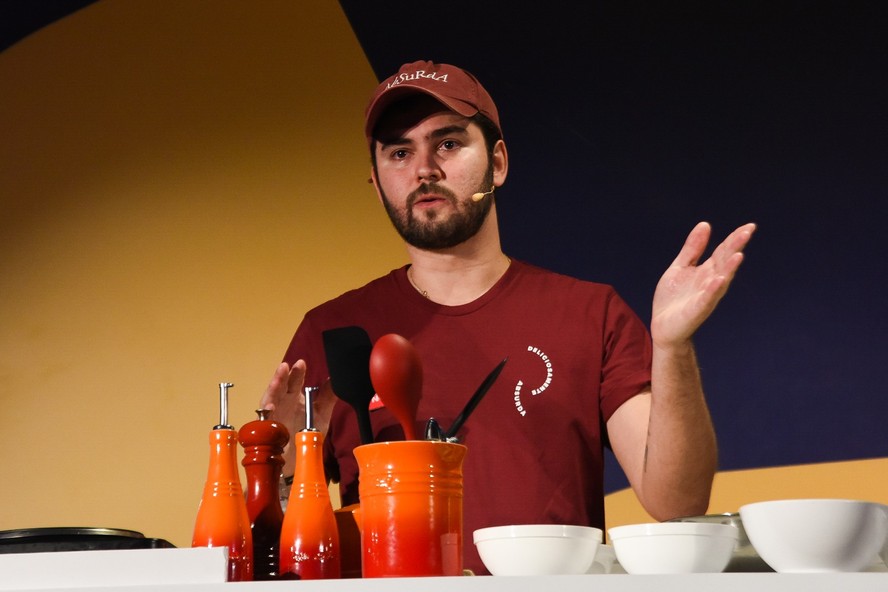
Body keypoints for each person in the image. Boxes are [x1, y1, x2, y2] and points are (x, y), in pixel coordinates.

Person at [260, 60, 756, 575]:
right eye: (400, 152)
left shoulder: (591, 313)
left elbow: (677, 501)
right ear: (376, 181)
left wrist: (673, 348)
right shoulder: (332, 332)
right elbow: (286, 552)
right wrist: (278, 466)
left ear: (497, 163)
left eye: (448, 143)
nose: (424, 169)